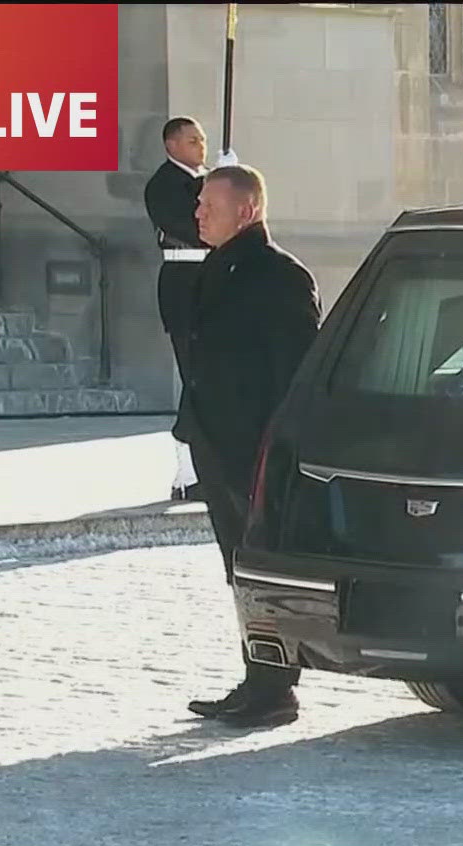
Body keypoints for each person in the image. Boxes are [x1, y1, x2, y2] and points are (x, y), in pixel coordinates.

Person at [183, 164, 321, 728]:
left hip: (255, 450)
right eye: (198, 204)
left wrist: (276, 448)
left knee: (262, 571)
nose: (197, 214)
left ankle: (275, 689)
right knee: (238, 570)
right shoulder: (217, 267)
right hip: (215, 442)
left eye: (209, 206)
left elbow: (294, 372)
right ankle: (257, 679)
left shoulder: (280, 276)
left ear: (246, 211)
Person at [144, 116, 212, 502]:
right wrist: (216, 186)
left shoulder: (208, 179)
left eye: (202, 140)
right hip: (184, 281)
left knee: (213, 376)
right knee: (196, 375)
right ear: (171, 145)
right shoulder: (164, 184)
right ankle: (188, 471)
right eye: (192, 140)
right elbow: (191, 225)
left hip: (212, 278)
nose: (201, 146)